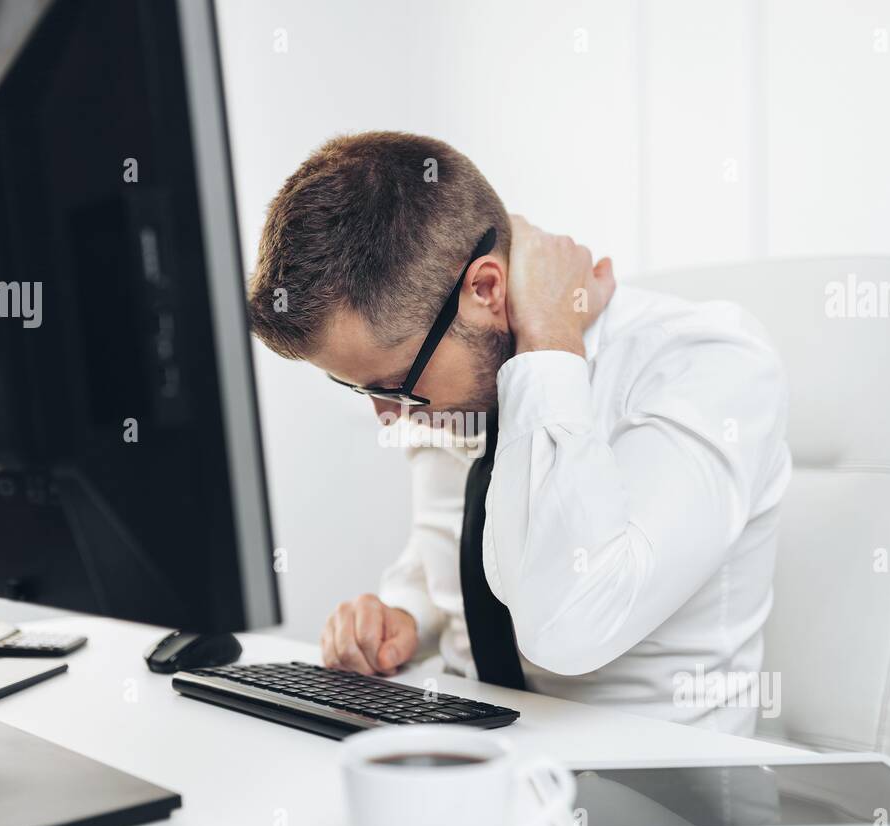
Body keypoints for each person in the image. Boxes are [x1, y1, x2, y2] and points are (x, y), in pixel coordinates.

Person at [247, 131, 790, 734]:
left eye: (394, 385)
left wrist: (550, 344)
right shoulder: (447, 383)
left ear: (484, 290)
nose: (387, 416)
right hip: (473, 747)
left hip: (653, 783)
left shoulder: (708, 362)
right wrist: (406, 616)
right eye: (359, 389)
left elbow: (571, 626)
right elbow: (448, 555)